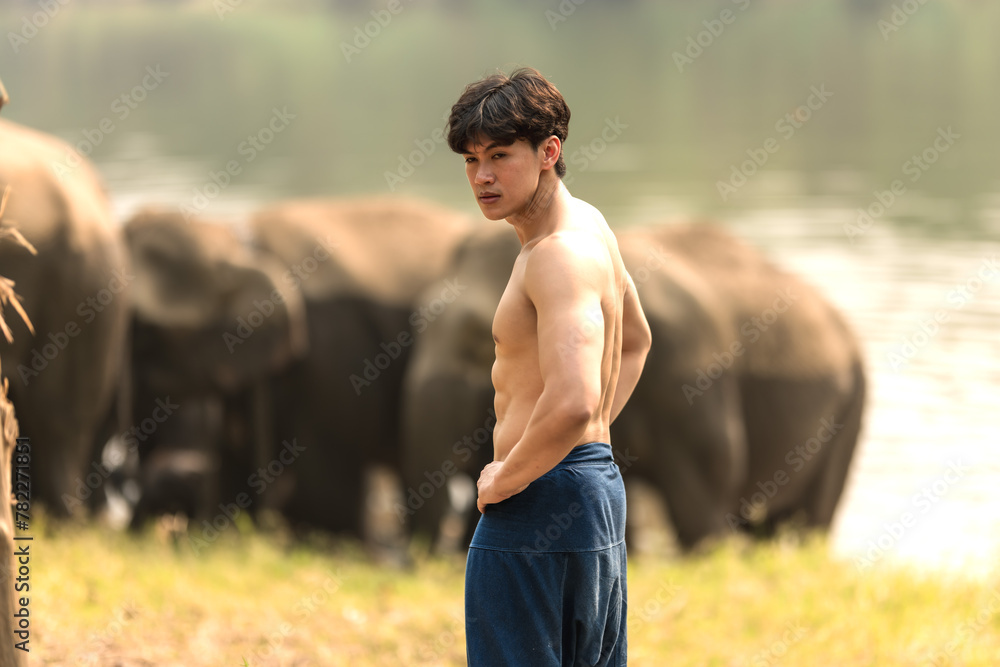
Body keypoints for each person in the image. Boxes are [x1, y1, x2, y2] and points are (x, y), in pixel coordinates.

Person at [446, 67, 652, 666]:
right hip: (593, 490)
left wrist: (506, 477)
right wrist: (582, 446)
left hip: (537, 501)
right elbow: (636, 341)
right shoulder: (591, 225)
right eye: (470, 159)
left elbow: (573, 402)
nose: (481, 176)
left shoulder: (556, 255)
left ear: (548, 152)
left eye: (500, 155)